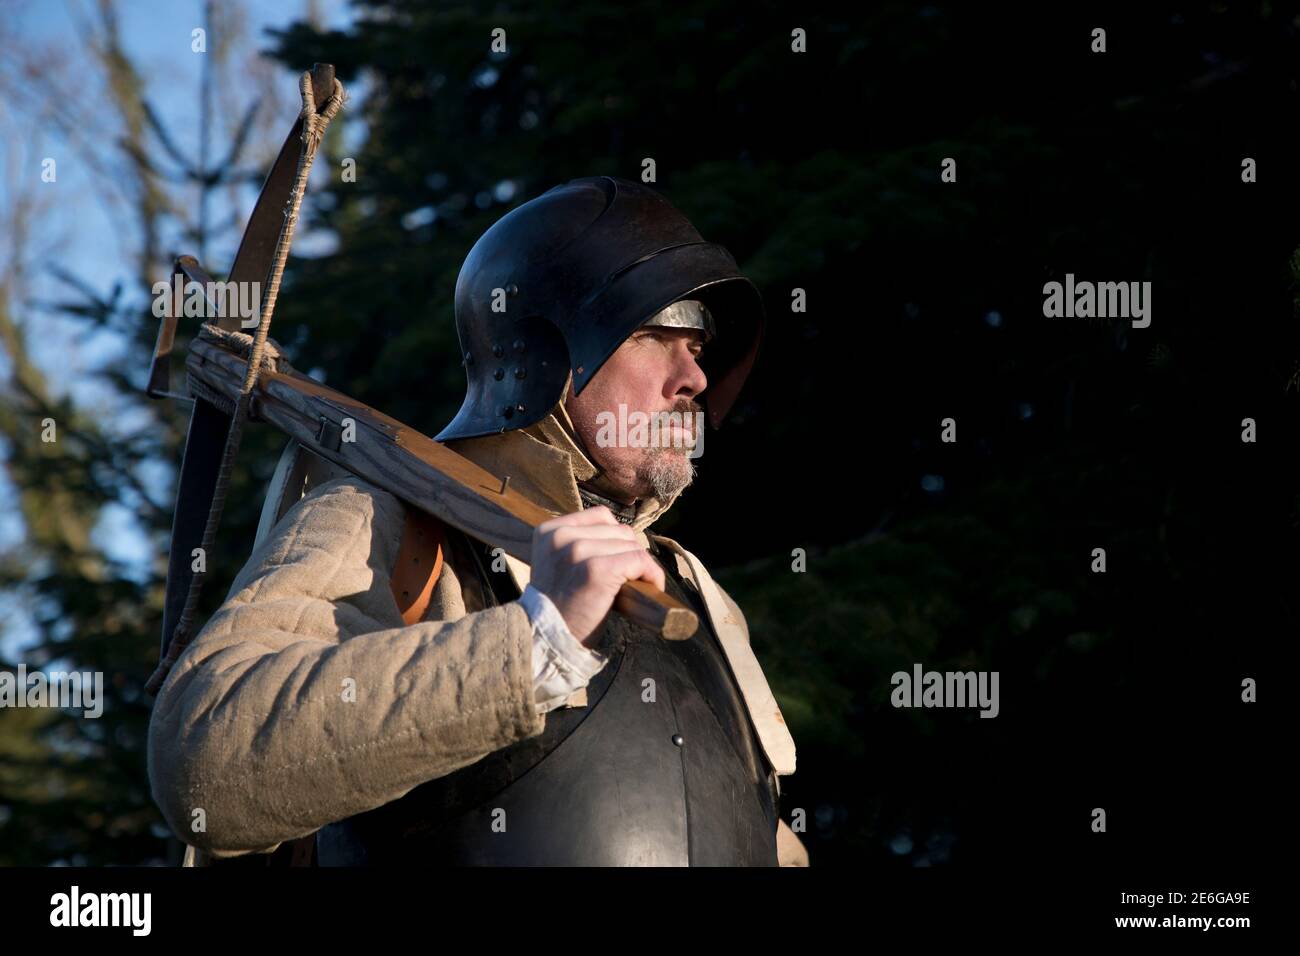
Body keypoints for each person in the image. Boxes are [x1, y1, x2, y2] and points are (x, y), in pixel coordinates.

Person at [147, 175, 807, 866]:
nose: (694, 379)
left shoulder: (691, 589)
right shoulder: (388, 523)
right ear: (544, 357)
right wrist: (535, 645)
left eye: (698, 349)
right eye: (653, 336)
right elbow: (204, 760)